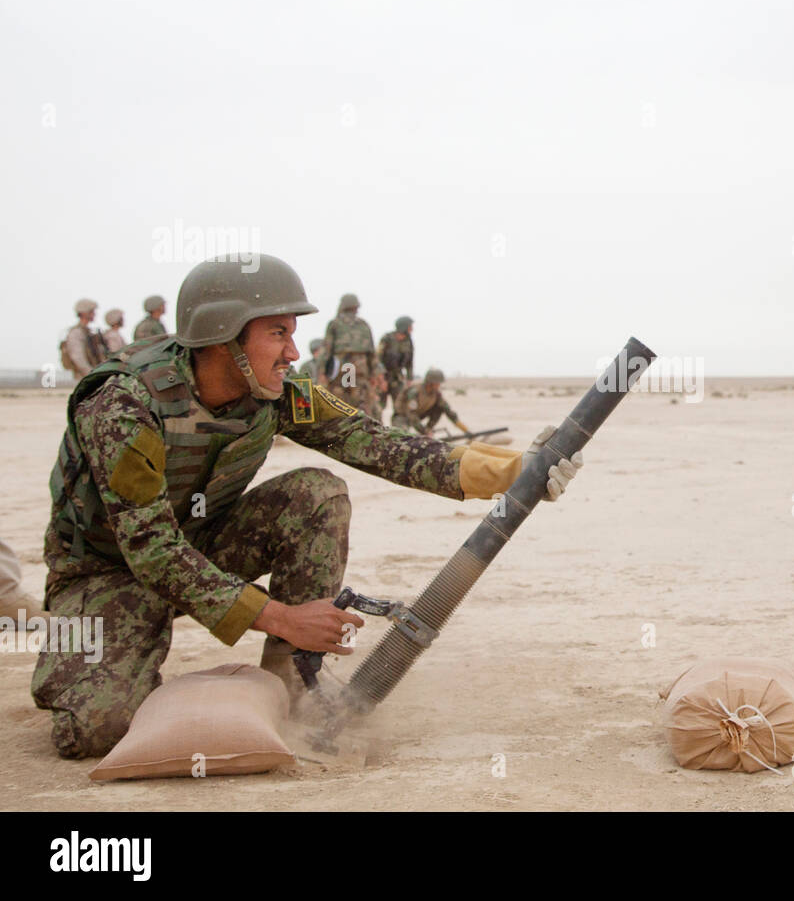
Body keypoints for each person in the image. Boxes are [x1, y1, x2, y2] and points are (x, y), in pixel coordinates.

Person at [31, 254, 582, 759]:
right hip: (107, 571)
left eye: (293, 335)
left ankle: (291, 680)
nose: (293, 352)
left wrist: (513, 472)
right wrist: (282, 616)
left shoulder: (277, 391)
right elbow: (151, 551)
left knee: (315, 493)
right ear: (223, 336)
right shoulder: (124, 404)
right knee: (96, 731)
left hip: (200, 546)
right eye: (277, 334)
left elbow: (376, 443)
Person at [319, 293, 378, 416]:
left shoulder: (335, 323)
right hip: (360, 371)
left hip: (342, 372)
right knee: (362, 406)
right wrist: (374, 374)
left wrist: (322, 371)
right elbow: (372, 353)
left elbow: (326, 350)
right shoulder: (364, 324)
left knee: (339, 407)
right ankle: (366, 431)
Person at [392, 368, 471, 436]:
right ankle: (425, 433)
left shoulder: (436, 394)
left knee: (440, 407)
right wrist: (424, 431)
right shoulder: (415, 392)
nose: (439, 385)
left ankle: (428, 429)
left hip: (418, 415)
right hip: (402, 416)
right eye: (438, 383)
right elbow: (411, 414)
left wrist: (465, 430)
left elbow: (447, 410)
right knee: (401, 436)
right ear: (431, 383)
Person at [376, 316, 414, 417]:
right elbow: (377, 359)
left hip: (397, 378)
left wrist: (409, 379)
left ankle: (399, 429)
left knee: (400, 407)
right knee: (378, 406)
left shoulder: (408, 341)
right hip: (382, 376)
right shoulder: (387, 338)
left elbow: (410, 362)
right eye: (410, 327)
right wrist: (381, 379)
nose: (412, 329)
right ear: (404, 327)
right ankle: (376, 429)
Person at [62, 299, 108, 381]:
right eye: (91, 311)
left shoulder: (88, 332)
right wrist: (91, 375)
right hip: (84, 378)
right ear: (84, 313)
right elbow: (78, 358)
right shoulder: (76, 333)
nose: (94, 314)